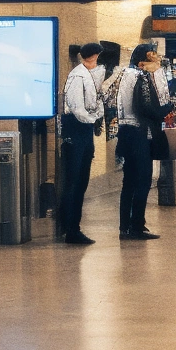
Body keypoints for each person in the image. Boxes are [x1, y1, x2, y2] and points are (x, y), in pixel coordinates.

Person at [116, 42, 167, 240]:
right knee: (142, 180)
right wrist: (165, 109)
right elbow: (146, 107)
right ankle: (136, 226)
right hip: (139, 134)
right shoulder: (140, 77)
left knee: (129, 182)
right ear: (142, 62)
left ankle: (125, 226)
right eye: (152, 58)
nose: (156, 62)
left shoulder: (125, 75)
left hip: (127, 133)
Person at [58, 42, 103, 245]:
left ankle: (72, 227)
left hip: (84, 131)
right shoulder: (78, 76)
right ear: (93, 57)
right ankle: (70, 229)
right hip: (76, 131)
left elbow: (95, 103)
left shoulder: (88, 75)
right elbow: (77, 108)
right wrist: (93, 118)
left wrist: (97, 114)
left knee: (81, 182)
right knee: (74, 182)